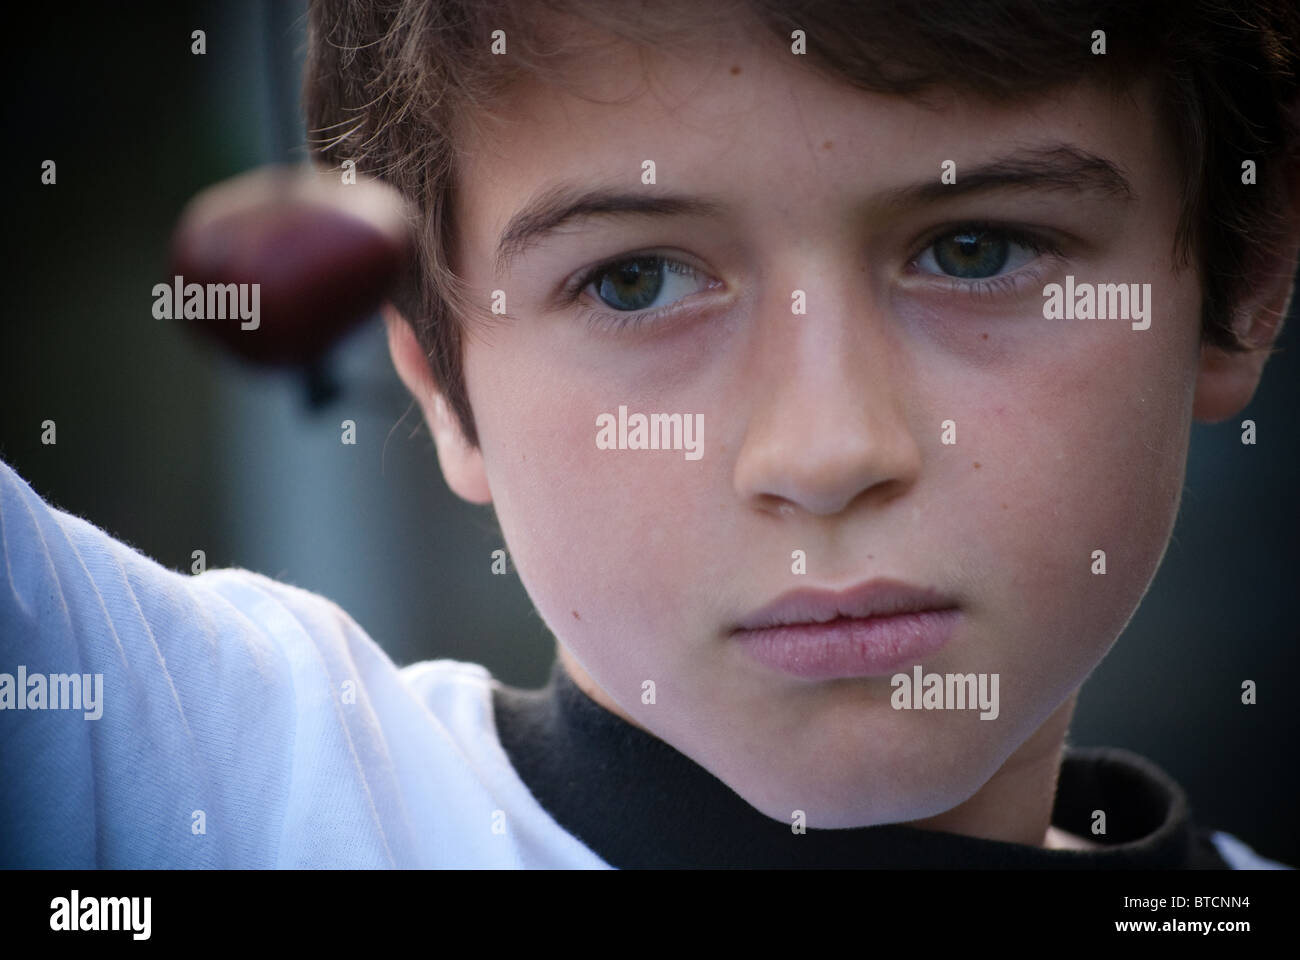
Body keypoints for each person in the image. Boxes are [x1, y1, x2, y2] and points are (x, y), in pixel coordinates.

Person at [2, 0, 1297, 868]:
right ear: (438, 378)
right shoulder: (212, 785)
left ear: (1242, 287)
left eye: (978, 247)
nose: (827, 450)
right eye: (637, 280)